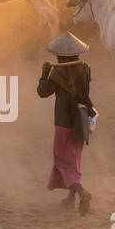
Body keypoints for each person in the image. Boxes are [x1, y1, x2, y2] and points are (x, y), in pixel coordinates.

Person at [37, 30, 97, 215]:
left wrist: (44, 73)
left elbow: (42, 92)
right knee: (73, 159)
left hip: (63, 123)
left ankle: (81, 192)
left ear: (60, 56)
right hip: (81, 120)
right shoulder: (85, 68)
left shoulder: (57, 72)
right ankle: (70, 198)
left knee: (63, 161)